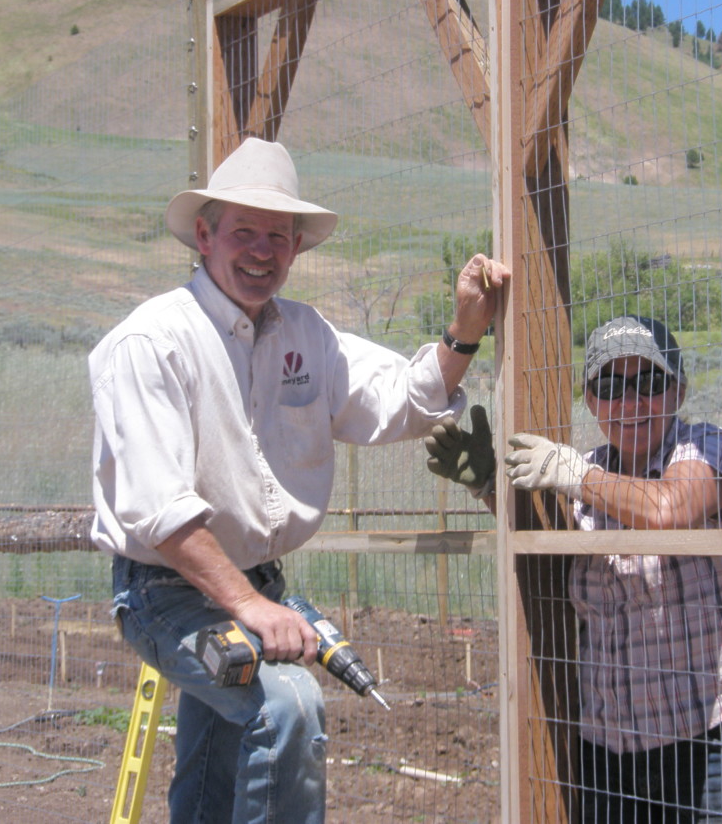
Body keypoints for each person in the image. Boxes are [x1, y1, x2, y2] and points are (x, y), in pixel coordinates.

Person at [90, 137, 508, 824]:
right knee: (288, 704)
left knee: (216, 759)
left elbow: (400, 399)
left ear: (296, 248)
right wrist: (250, 608)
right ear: (204, 234)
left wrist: (464, 332)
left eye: (278, 237)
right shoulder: (151, 344)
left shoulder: (306, 336)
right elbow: (160, 512)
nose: (262, 251)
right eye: (244, 231)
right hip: (163, 590)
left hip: (258, 584)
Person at [426, 315, 722, 823]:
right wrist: (488, 483)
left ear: (679, 391)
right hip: (610, 753)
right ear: (590, 400)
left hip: (714, 744)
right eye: (609, 386)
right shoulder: (588, 473)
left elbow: (669, 509)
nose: (629, 403)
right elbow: (555, 544)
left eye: (648, 382)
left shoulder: (706, 448)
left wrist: (576, 473)